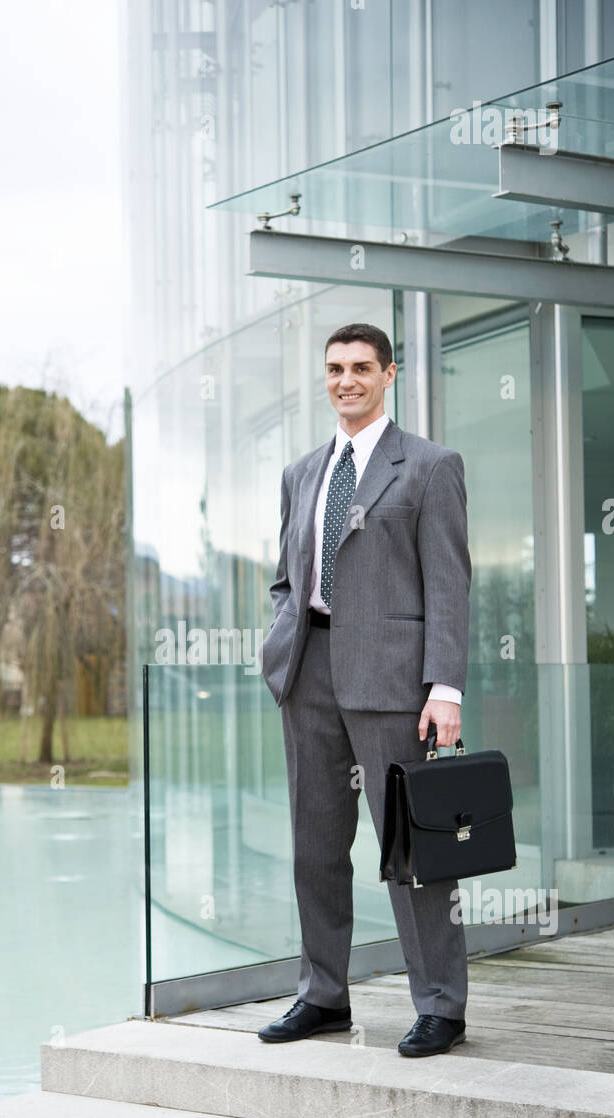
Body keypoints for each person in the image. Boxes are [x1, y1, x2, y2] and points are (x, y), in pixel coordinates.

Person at [257, 323, 472, 1058]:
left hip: (390, 684)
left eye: (358, 368)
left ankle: (440, 1004)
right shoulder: (300, 473)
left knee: (412, 850)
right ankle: (322, 995)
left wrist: (444, 687)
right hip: (307, 674)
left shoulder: (429, 467)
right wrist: (280, 639)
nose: (344, 380)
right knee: (314, 848)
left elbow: (448, 583)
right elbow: (288, 576)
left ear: (387, 374)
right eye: (333, 369)